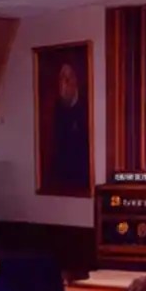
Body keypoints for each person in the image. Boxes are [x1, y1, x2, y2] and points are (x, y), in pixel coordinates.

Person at [48, 62, 91, 193]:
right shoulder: (57, 108)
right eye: (61, 78)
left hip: (83, 177)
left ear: (75, 80)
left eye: (68, 78)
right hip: (64, 179)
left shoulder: (87, 105)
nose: (64, 83)